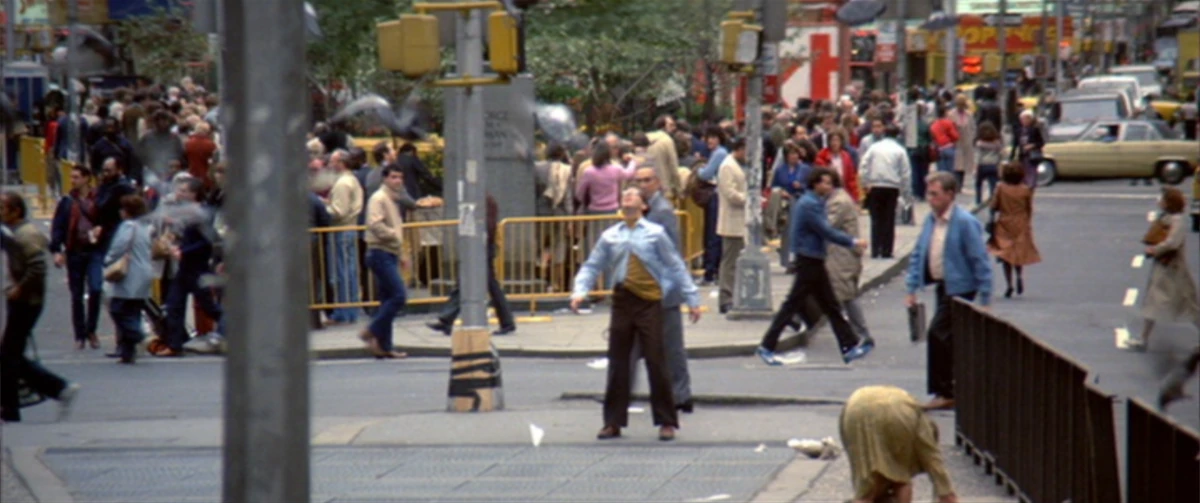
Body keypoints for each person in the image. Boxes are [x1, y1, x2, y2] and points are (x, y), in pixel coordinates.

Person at [570, 188, 702, 442]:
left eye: (633, 195)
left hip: (650, 302)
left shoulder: (655, 234)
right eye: (625, 195)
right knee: (618, 361)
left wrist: (692, 299)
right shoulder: (611, 235)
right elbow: (592, 265)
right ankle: (612, 422)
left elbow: (675, 265)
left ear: (643, 206)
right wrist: (580, 291)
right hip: (622, 300)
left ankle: (666, 420)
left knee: (656, 359)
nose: (627, 198)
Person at [757, 168, 874, 366]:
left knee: (830, 305)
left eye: (830, 183)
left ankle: (849, 346)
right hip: (808, 258)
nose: (828, 187)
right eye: (825, 183)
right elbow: (826, 230)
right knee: (793, 304)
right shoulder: (810, 204)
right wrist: (852, 241)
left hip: (815, 258)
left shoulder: (814, 201)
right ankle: (767, 345)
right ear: (815, 183)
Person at [905, 172, 993, 410]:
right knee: (951, 339)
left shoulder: (964, 222)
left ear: (950, 195)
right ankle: (955, 387)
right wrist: (911, 286)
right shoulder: (931, 220)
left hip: (961, 288)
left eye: (935, 194)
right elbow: (918, 253)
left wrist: (985, 295)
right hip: (944, 285)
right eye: (928, 193)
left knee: (937, 333)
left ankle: (945, 391)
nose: (930, 198)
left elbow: (980, 259)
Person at [0, 192, 81, 422]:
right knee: (9, 355)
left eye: (3, 207)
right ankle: (19, 402)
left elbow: (37, 268)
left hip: (27, 301)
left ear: (16, 211)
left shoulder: (27, 234)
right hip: (20, 299)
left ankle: (53, 390)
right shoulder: (13, 233)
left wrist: (20, 288)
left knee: (9, 356)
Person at [630, 166, 693, 413]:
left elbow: (670, 254)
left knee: (671, 347)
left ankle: (681, 395)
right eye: (638, 181)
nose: (643, 185)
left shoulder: (662, 212)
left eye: (647, 180)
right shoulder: (646, 210)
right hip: (645, 292)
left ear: (657, 182)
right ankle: (620, 394)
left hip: (661, 291)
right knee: (631, 348)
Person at [840, 385, 959, 503]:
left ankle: (864, 498)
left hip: (855, 407)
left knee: (867, 489)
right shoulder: (922, 424)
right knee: (901, 480)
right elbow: (932, 458)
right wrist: (946, 492)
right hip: (897, 410)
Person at [426, 194, 516, 337]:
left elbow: (488, 226)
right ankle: (447, 320)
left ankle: (446, 320)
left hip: (481, 248)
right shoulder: (478, 201)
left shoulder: (484, 202)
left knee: (476, 283)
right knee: (477, 284)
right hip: (479, 247)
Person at [1127, 187, 1199, 350]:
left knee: (1189, 303)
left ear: (1169, 203)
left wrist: (1154, 249)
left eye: (1163, 199)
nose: (1160, 201)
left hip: (1174, 269)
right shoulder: (1166, 218)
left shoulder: (1177, 221)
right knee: (1153, 301)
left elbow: (1173, 243)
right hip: (1163, 267)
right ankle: (1143, 339)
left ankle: (1143, 339)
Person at [49, 165, 104, 350]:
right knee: (77, 295)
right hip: (75, 250)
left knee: (96, 288)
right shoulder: (67, 201)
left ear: (87, 178)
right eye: (72, 177)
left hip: (95, 250)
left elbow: (107, 221)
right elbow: (58, 226)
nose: (73, 181)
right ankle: (79, 334)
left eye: (77, 177)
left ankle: (91, 329)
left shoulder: (99, 199)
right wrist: (57, 250)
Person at [360, 164, 410, 359]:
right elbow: (374, 224)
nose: (398, 181)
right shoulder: (379, 198)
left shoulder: (391, 199)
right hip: (379, 252)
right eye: (394, 177)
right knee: (398, 296)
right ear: (385, 179)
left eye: (400, 177)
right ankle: (371, 331)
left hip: (388, 253)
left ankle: (384, 345)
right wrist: (394, 237)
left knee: (387, 300)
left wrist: (401, 253)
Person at [104, 195, 155, 364]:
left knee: (118, 309)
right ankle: (128, 352)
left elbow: (119, 246)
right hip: (144, 272)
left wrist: (108, 260)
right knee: (133, 311)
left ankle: (138, 336)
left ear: (127, 212)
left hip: (130, 273)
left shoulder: (128, 226)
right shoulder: (144, 226)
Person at [824, 171, 872, 344]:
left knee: (845, 295)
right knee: (840, 295)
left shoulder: (839, 202)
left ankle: (861, 333)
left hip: (842, 255)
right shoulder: (837, 199)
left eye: (826, 183)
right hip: (839, 253)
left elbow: (827, 225)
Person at [859, 125, 913, 260]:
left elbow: (864, 165)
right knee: (888, 219)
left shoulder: (874, 148)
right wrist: (907, 194)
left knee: (876, 219)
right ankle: (887, 250)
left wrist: (865, 184)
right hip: (892, 187)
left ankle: (875, 249)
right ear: (897, 136)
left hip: (875, 185)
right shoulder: (900, 150)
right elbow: (906, 174)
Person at [988, 162, 1041, 299]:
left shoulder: (1001, 187)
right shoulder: (1025, 189)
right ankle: (1019, 274)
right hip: (1021, 222)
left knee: (1006, 253)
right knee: (1018, 252)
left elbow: (994, 205)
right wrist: (1027, 222)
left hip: (1005, 222)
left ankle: (1009, 283)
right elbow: (1029, 208)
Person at [716, 138, 748, 314]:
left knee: (735, 260)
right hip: (731, 221)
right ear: (739, 149)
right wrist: (749, 199)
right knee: (729, 261)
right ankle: (725, 298)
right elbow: (730, 193)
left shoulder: (737, 165)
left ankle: (733, 295)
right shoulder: (727, 166)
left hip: (740, 221)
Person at [1010, 110, 1044, 190]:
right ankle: (1024, 189)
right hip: (1022, 155)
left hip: (1032, 156)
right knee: (1022, 174)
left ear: (1030, 119)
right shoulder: (1019, 131)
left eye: (1025, 119)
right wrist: (1012, 156)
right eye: (1021, 119)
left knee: (1031, 173)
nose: (1023, 121)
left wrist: (1032, 145)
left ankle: (1030, 188)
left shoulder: (1034, 130)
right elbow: (1015, 144)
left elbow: (1041, 142)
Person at [973, 122, 1003, 205]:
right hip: (993, 165)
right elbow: (1000, 155)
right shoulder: (997, 143)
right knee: (993, 186)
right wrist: (999, 167)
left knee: (978, 184)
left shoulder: (979, 143)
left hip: (982, 165)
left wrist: (975, 168)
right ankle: (993, 202)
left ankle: (978, 201)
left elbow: (977, 157)